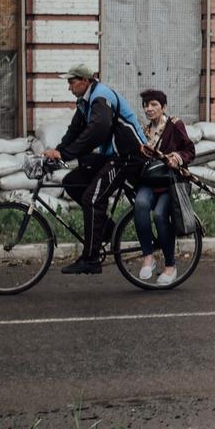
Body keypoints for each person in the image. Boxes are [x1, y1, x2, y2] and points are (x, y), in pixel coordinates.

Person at [43, 63, 148, 274]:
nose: (69, 88)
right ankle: (108, 230)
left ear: (85, 81)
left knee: (92, 198)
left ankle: (91, 259)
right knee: (72, 182)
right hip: (113, 155)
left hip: (128, 156)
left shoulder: (101, 98)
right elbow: (75, 131)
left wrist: (66, 154)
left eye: (71, 82)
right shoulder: (85, 102)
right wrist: (58, 151)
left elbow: (96, 132)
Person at [133, 89, 196, 286]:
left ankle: (170, 265)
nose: (149, 109)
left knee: (160, 215)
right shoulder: (144, 131)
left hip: (170, 183)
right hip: (150, 182)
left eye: (153, 105)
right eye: (146, 105)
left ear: (164, 107)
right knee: (140, 205)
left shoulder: (174, 125)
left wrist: (176, 158)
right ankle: (148, 257)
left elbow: (189, 151)